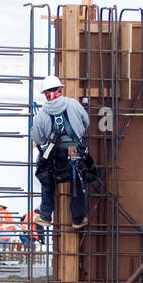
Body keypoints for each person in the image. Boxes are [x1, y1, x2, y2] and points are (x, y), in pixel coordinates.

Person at [30, 74, 91, 230]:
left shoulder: (41, 116)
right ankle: (78, 219)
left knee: (46, 177)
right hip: (74, 152)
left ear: (46, 94)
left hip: (55, 157)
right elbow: (86, 122)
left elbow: (37, 138)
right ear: (59, 90)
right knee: (77, 180)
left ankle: (45, 216)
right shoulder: (74, 105)